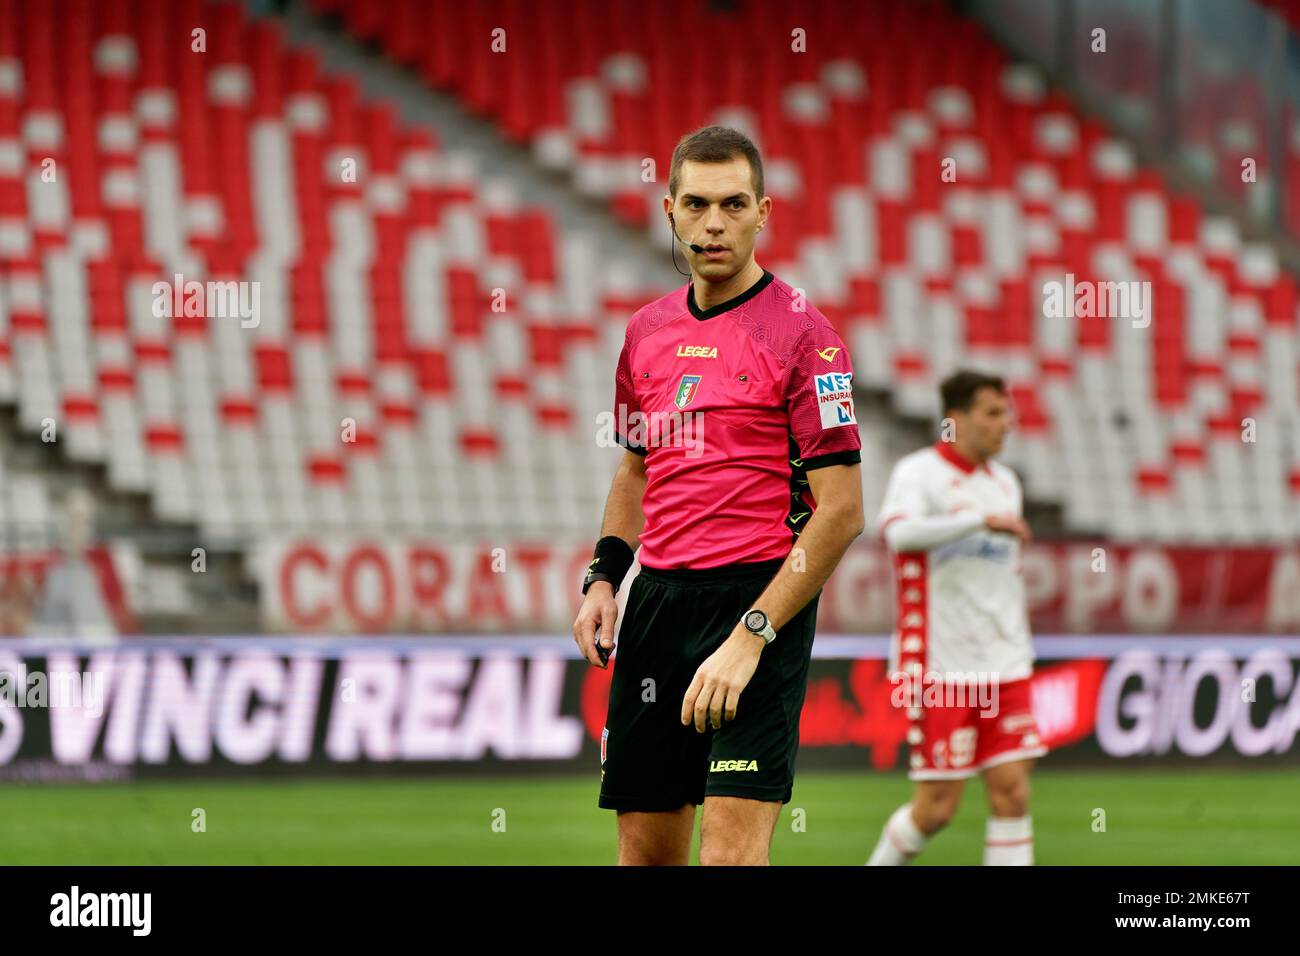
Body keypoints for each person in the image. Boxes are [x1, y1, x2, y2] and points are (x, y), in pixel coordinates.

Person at [572, 125, 865, 865]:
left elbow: (843, 511)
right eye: (696, 205)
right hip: (657, 607)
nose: (713, 224)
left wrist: (751, 636)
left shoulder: (807, 338)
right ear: (668, 209)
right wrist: (605, 576)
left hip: (757, 603)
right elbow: (637, 471)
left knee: (729, 859)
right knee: (646, 857)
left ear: (763, 212)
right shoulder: (645, 333)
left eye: (733, 204)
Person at [866, 370, 1045, 866]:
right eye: (992, 413)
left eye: (1006, 412)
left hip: (1004, 662)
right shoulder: (918, 473)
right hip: (940, 665)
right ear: (956, 421)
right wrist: (977, 521)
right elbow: (897, 535)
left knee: (1013, 793)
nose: (1005, 424)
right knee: (938, 808)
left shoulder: (1006, 482)